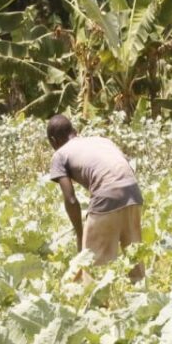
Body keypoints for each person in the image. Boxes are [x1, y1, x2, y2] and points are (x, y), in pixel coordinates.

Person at [46, 114, 145, 282]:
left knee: (93, 266)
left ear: (54, 140)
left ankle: (97, 305)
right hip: (133, 192)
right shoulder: (102, 141)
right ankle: (143, 299)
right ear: (75, 131)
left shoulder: (60, 154)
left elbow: (70, 199)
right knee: (134, 258)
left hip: (106, 195)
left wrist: (80, 235)